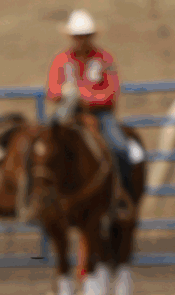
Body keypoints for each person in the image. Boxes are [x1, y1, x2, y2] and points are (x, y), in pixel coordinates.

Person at [46, 9, 132, 201]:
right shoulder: (61, 60)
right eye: (77, 36)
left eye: (84, 36)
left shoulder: (104, 59)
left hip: (100, 114)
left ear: (91, 36)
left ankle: (122, 195)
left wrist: (85, 97)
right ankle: (42, 199)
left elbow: (111, 92)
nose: (81, 40)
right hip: (68, 113)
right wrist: (65, 94)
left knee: (120, 148)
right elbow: (52, 91)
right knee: (42, 147)